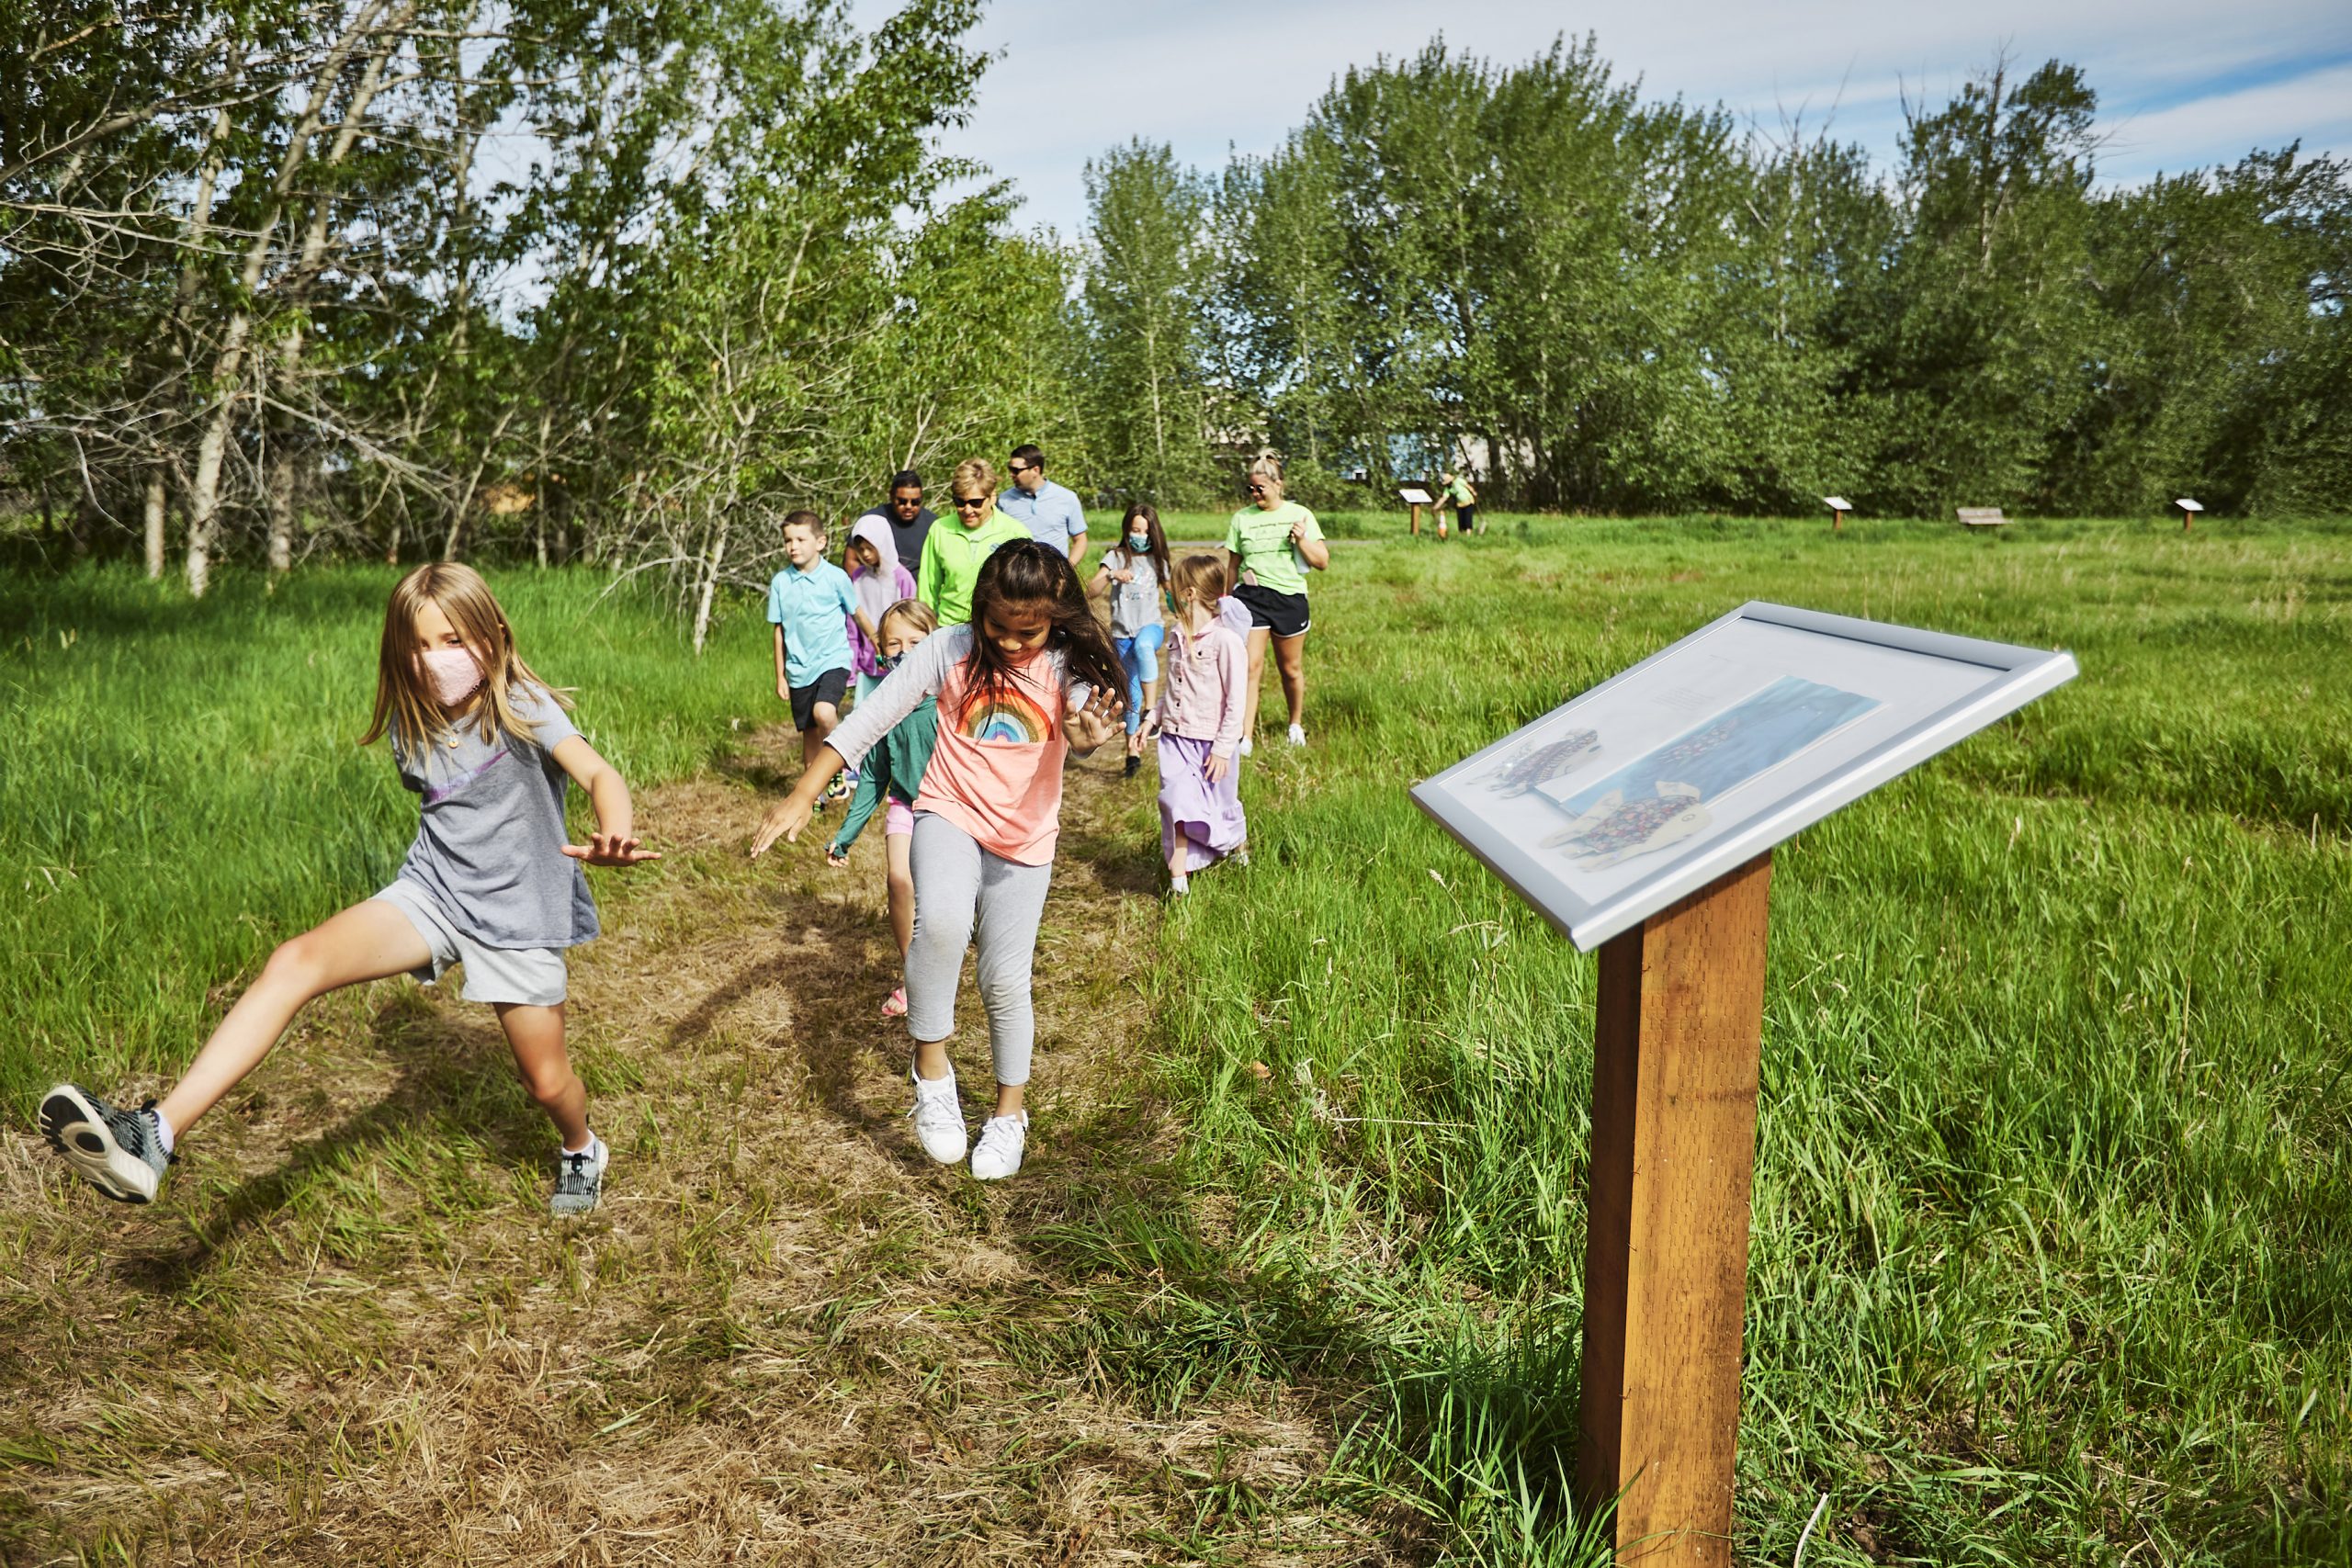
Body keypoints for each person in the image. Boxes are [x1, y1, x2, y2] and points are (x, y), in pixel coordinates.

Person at [36, 563, 658, 1215]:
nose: (435, 659)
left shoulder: (521, 703)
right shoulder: (409, 724)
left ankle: (580, 1145)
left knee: (545, 1082)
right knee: (294, 960)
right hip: (437, 891)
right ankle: (155, 1134)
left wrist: (614, 830)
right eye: (418, 645)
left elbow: (598, 771)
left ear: (492, 636)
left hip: (518, 914)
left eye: (453, 641)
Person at [751, 541, 1125, 1181]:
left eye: (1026, 631)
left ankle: (1009, 1114)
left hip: (1027, 835)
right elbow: (869, 718)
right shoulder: (948, 648)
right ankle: (932, 1072)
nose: (1009, 642)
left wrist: (1087, 740)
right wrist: (801, 795)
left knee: (1005, 979)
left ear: (1054, 620)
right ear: (979, 609)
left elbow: (1084, 727)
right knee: (943, 923)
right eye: (996, 627)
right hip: (948, 810)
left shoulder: (1064, 664)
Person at [824, 599, 941, 1020]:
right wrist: (845, 836)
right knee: (898, 879)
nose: (905, 650)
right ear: (882, 651)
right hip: (905, 804)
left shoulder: (950, 703)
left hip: (949, 812)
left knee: (941, 898)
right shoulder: (884, 710)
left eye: (916, 641)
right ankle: (916, 975)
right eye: (894, 643)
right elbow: (873, 777)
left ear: (936, 645)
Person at [1224, 454, 1330, 754]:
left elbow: (1322, 561)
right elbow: (1232, 565)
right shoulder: (1241, 518)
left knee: (1290, 669)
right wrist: (1224, 600)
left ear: (1278, 485)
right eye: (1251, 489)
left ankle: (1295, 724)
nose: (1255, 494)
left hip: (1289, 599)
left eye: (1260, 488)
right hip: (1250, 599)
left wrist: (1302, 540)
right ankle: (1245, 737)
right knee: (1249, 667)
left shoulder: (1300, 514)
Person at [1157, 553, 1248, 895]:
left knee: (1221, 804)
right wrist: (1153, 718)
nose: (1170, 593)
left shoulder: (1226, 641)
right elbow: (1172, 688)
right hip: (1175, 740)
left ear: (1189, 593)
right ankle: (1178, 875)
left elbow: (1236, 701)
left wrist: (1224, 749)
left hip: (1212, 742)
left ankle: (1237, 847)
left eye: (1175, 587)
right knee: (1177, 803)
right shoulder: (1176, 635)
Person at [769, 511, 872, 804]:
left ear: (821, 542)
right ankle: (813, 804)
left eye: (801, 539)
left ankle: (839, 765)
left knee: (824, 713)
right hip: (798, 670)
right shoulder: (780, 583)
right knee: (810, 738)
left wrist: (877, 642)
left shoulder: (836, 578)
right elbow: (779, 632)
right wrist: (780, 676)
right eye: (788, 540)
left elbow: (857, 613)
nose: (793, 546)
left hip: (833, 660)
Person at [1088, 502, 1171, 780]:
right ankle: (1132, 753)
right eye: (1134, 529)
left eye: (1144, 531)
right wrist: (1110, 575)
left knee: (1144, 647)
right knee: (1129, 696)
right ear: (1126, 529)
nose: (1139, 535)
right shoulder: (1115, 556)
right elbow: (1091, 590)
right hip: (1122, 635)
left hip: (1150, 628)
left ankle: (1151, 708)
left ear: (1153, 533)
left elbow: (1174, 595)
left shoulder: (1158, 560)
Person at [917, 457, 1028, 626]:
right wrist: (925, 628)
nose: (968, 510)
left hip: (998, 631)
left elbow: (1026, 592)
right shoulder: (940, 529)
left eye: (975, 502)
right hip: (949, 629)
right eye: (960, 502)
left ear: (992, 497)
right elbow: (928, 589)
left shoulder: (1015, 533)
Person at [844, 515, 916, 705]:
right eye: (861, 550)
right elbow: (852, 623)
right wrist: (852, 665)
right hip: (867, 664)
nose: (866, 554)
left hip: (896, 665)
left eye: (870, 548)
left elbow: (909, 622)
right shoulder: (858, 578)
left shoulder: (902, 578)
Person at [996, 444, 1088, 565]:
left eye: (1016, 470)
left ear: (1035, 470)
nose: (1011, 474)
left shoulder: (1067, 498)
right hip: (1016, 576)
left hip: (1054, 575)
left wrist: (1067, 569)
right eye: (1010, 469)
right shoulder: (1004, 500)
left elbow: (1080, 540)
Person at [861, 469, 934, 568]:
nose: (908, 506)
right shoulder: (871, 521)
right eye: (902, 501)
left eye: (915, 502)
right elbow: (852, 560)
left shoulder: (933, 525)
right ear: (891, 496)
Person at [1442, 468, 1478, 538]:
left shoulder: (1458, 481)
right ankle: (1461, 535)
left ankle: (1468, 535)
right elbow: (1444, 497)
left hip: (1468, 501)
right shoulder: (1448, 488)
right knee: (1461, 520)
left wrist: (1473, 492)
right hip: (1459, 504)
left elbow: (1467, 486)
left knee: (1468, 518)